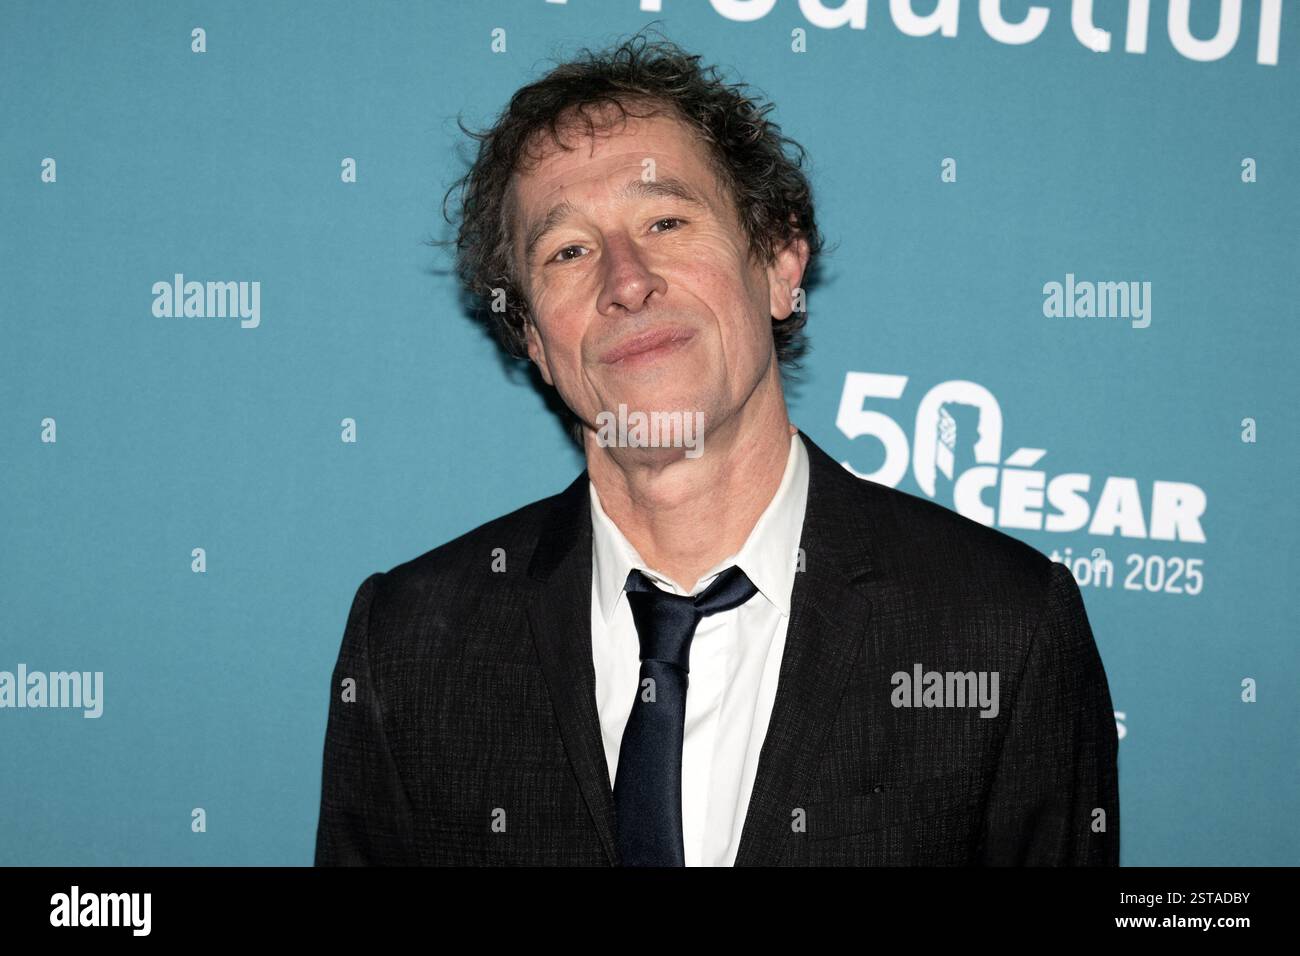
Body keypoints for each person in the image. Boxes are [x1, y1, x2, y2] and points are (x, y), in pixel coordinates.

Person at [314, 32, 1119, 867]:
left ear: (778, 262)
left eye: (665, 220)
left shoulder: (1001, 629)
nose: (626, 280)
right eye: (568, 251)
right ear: (533, 339)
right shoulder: (411, 644)